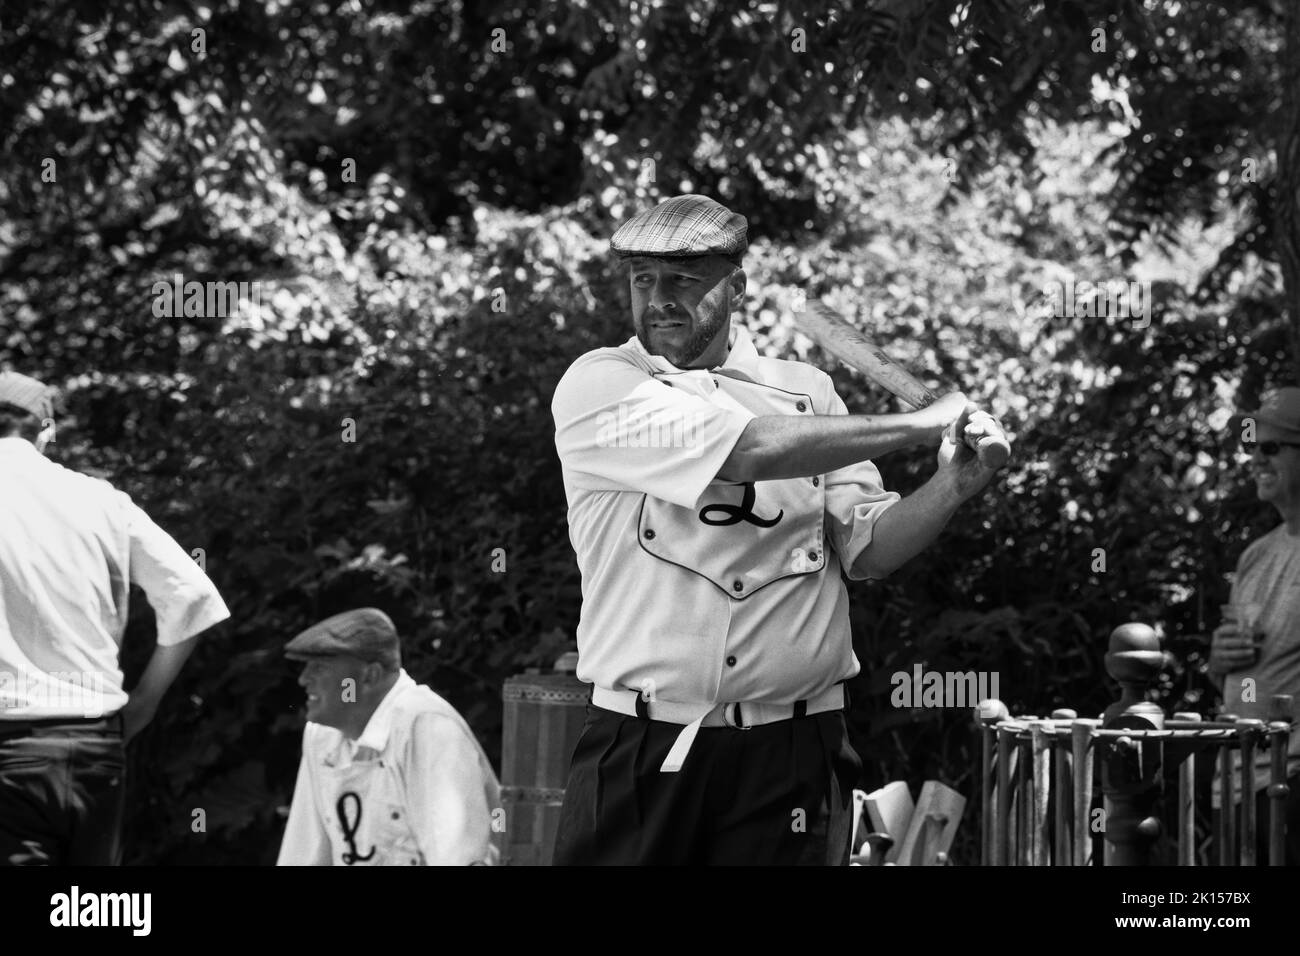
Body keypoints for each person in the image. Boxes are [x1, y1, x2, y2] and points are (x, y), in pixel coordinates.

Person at [549, 194, 1010, 865]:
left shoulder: (809, 395)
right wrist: (920, 422)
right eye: (642, 278)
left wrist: (951, 487)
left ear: (736, 284)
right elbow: (746, 451)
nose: (659, 299)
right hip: (642, 748)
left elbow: (868, 549)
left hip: (793, 756)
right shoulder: (603, 385)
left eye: (684, 278)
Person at [0, 370, 230, 865]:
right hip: (94, 747)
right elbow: (190, 596)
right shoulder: (102, 501)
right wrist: (144, 703)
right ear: (47, 431)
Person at [277, 608, 502, 865]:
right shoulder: (322, 736)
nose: (304, 680)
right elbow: (304, 851)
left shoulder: (426, 727)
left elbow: (457, 857)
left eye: (319, 668)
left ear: (368, 676)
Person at [1208, 386, 1300, 864]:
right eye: (1251, 447)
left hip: (1292, 783)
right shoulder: (1255, 555)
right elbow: (1228, 676)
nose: (1256, 459)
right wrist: (1218, 661)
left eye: (1271, 447)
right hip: (1238, 784)